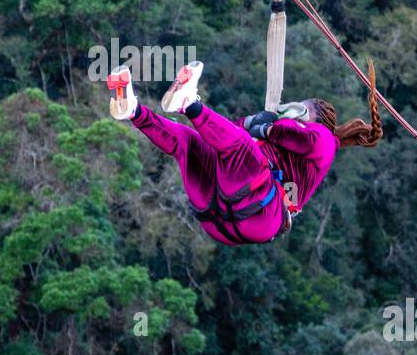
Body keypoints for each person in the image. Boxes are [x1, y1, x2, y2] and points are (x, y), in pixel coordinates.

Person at [108, 59, 382, 246]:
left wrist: (269, 128)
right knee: (189, 142)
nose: (289, 112)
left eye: (300, 110)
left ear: (315, 119)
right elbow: (226, 135)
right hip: (218, 212)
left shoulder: (325, 139)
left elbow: (302, 139)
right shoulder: (271, 139)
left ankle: (189, 104)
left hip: (262, 213)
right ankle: (133, 111)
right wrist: (254, 123)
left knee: (241, 146)